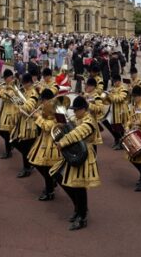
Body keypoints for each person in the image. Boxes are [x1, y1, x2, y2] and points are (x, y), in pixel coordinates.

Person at [50, 95, 101, 230]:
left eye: (77, 110)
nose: (74, 112)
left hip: (83, 155)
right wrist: (61, 124)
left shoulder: (89, 121)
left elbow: (76, 134)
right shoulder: (78, 118)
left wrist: (62, 142)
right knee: (57, 175)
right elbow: (70, 124)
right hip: (74, 152)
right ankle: (78, 207)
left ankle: (82, 216)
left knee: (79, 186)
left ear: (84, 109)